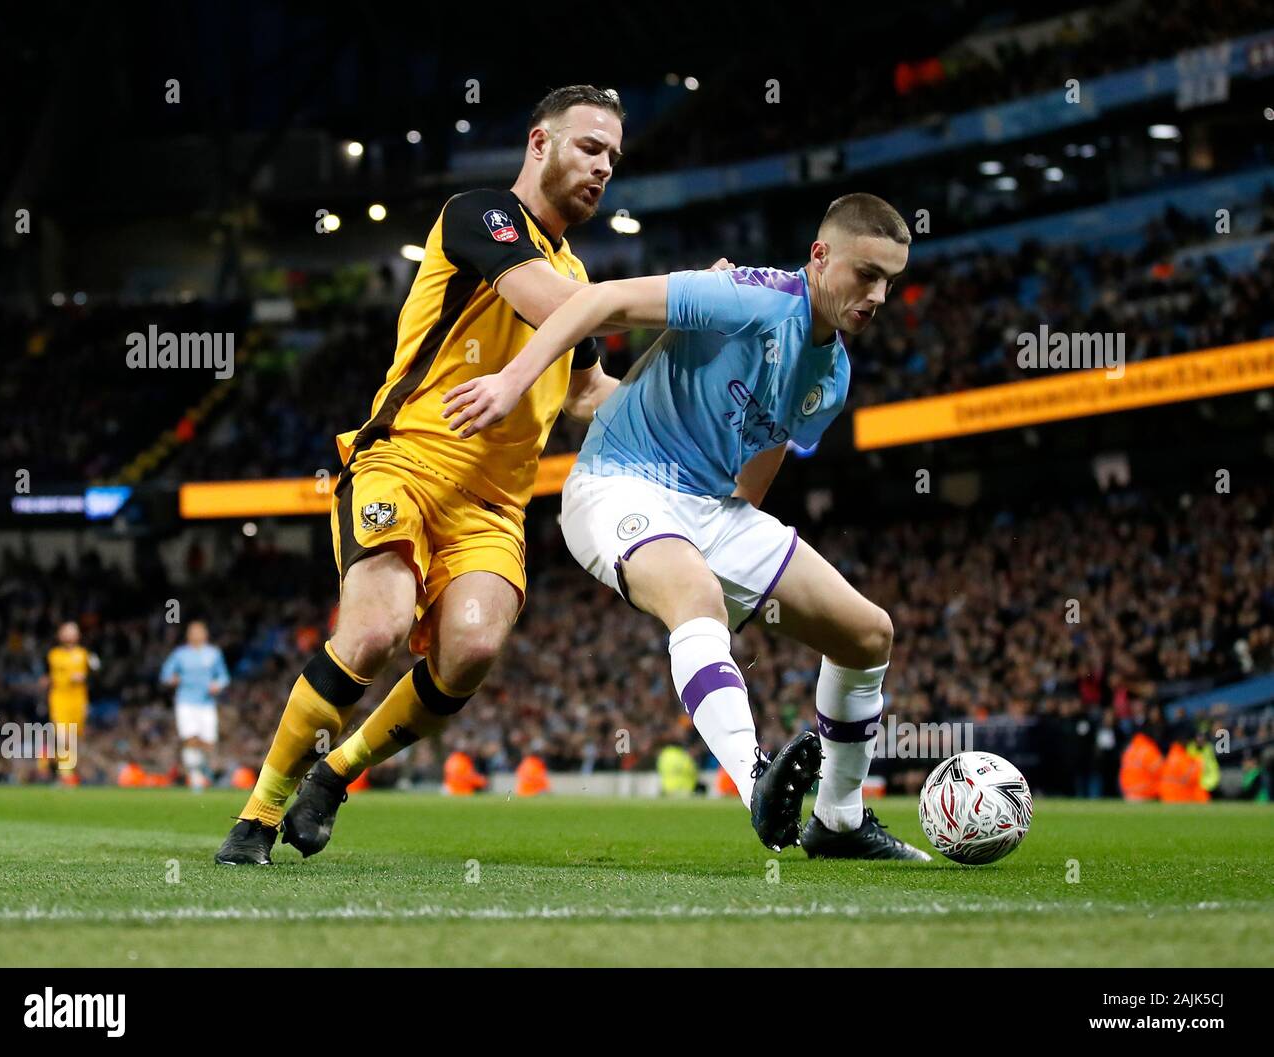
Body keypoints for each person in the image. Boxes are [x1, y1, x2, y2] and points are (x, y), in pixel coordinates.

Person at [445, 193, 930, 858]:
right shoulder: (749, 296)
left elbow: (768, 444)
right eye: (866, 274)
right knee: (696, 595)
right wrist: (511, 382)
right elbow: (600, 302)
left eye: (890, 281)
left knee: (868, 634)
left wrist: (744, 549)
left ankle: (839, 822)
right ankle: (756, 781)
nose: (877, 296)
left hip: (712, 509)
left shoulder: (833, 375)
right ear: (819, 256)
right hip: (618, 482)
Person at [216, 85, 626, 864]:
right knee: (374, 631)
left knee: (470, 650)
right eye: (589, 147)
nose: (604, 167)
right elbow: (549, 302)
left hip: (494, 506)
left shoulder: (576, 273)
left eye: (613, 156)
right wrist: (691, 301)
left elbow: (585, 393)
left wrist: (687, 383)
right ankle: (257, 816)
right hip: (404, 461)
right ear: (540, 143)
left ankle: (335, 774)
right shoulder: (482, 216)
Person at [160, 621, 230, 790]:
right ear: (188, 635)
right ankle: (195, 775)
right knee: (190, 738)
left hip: (206, 702)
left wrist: (218, 685)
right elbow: (165, 674)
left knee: (208, 742)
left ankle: (204, 770)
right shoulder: (180, 654)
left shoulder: (213, 654)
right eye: (193, 632)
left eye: (200, 632)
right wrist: (172, 679)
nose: (197, 635)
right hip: (186, 702)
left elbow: (224, 676)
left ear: (206, 634)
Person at [40, 621, 97, 784]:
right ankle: (64, 773)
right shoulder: (52, 655)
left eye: (72, 631)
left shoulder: (85, 654)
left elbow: (97, 674)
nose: (69, 635)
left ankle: (54, 764)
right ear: (60, 635)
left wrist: (86, 677)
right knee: (64, 737)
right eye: (66, 631)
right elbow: (45, 676)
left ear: (78, 635)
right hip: (59, 700)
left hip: (78, 701)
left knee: (73, 739)